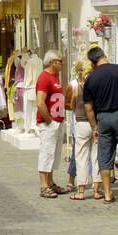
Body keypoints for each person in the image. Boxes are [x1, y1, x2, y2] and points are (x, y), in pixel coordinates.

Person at [82, 46, 118, 203]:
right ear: (105, 55)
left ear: (92, 62)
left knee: (104, 155)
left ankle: (107, 193)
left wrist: (95, 126)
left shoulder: (91, 78)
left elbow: (88, 107)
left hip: (103, 118)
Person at [65, 60, 101, 200]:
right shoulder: (97, 87)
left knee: (81, 157)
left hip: (81, 124)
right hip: (96, 124)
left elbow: (72, 104)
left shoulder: (77, 87)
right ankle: (97, 190)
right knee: (96, 157)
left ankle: (80, 191)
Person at [36, 50, 67, 198]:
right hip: (49, 122)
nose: (62, 64)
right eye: (60, 61)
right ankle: (44, 185)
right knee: (46, 152)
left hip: (58, 120)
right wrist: (49, 121)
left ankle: (50, 182)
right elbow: (40, 102)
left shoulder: (55, 77)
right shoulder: (44, 78)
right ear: (52, 62)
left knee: (54, 154)